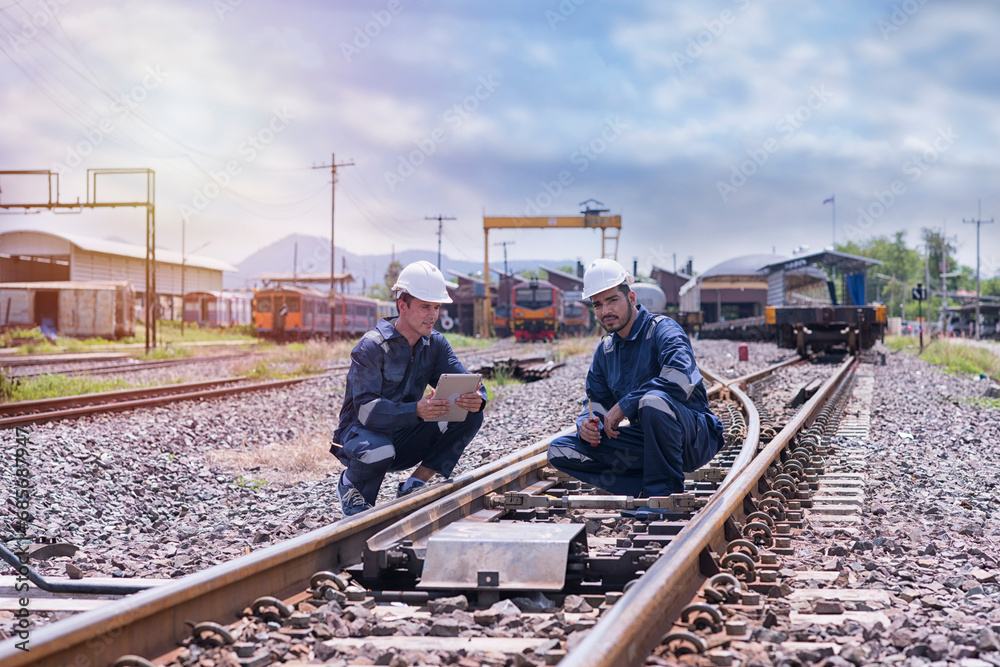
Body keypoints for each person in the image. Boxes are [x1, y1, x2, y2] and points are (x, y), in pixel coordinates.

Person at [547, 258, 725, 511]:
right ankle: (643, 488)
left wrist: (626, 404)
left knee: (652, 401)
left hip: (692, 438)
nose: (605, 311)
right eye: (597, 304)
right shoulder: (606, 350)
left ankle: (664, 496)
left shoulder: (664, 330)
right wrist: (588, 424)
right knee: (560, 450)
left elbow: (681, 379)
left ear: (630, 298)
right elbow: (596, 403)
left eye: (612, 300)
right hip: (647, 444)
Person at [332, 260, 487, 516]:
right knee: (380, 450)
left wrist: (478, 397)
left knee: (471, 413)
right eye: (425, 306)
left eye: (436, 307)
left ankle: (415, 483)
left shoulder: (434, 344)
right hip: (363, 435)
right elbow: (367, 412)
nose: (432, 314)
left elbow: (468, 382)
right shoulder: (371, 347)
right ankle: (351, 487)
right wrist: (416, 410)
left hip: (405, 436)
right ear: (402, 306)